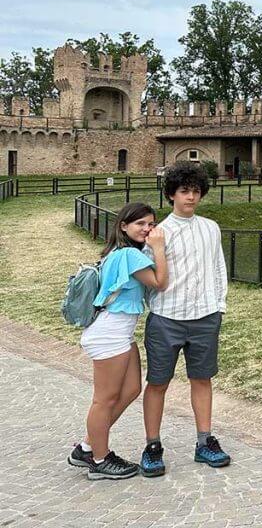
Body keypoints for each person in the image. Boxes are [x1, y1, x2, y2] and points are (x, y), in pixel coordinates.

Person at [140, 161, 230, 477]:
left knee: (202, 379)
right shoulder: (158, 233)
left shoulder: (211, 228)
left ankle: (204, 441)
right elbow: (149, 277)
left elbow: (219, 268)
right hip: (167, 317)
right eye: (183, 191)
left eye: (194, 191)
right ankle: (152, 445)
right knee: (157, 382)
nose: (190, 197)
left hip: (205, 316)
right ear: (171, 194)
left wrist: (219, 304)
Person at [70, 202, 168, 480]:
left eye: (151, 224)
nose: (147, 229)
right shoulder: (128, 255)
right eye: (140, 224)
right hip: (110, 333)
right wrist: (159, 248)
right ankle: (98, 460)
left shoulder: (117, 252)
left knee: (131, 389)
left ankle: (88, 446)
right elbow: (160, 282)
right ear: (123, 226)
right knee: (104, 399)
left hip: (119, 332)